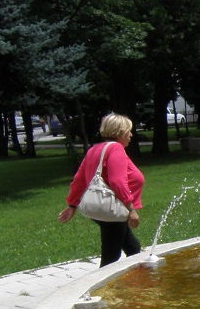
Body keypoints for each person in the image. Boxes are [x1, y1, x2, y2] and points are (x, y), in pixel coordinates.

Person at [58, 113, 145, 267]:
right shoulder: (116, 149)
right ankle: (102, 290)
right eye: (128, 131)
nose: (131, 134)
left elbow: (79, 180)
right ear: (119, 132)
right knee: (110, 258)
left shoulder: (95, 149)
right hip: (113, 208)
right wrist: (131, 208)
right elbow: (117, 181)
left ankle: (139, 280)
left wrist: (72, 205)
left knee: (133, 247)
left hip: (103, 208)